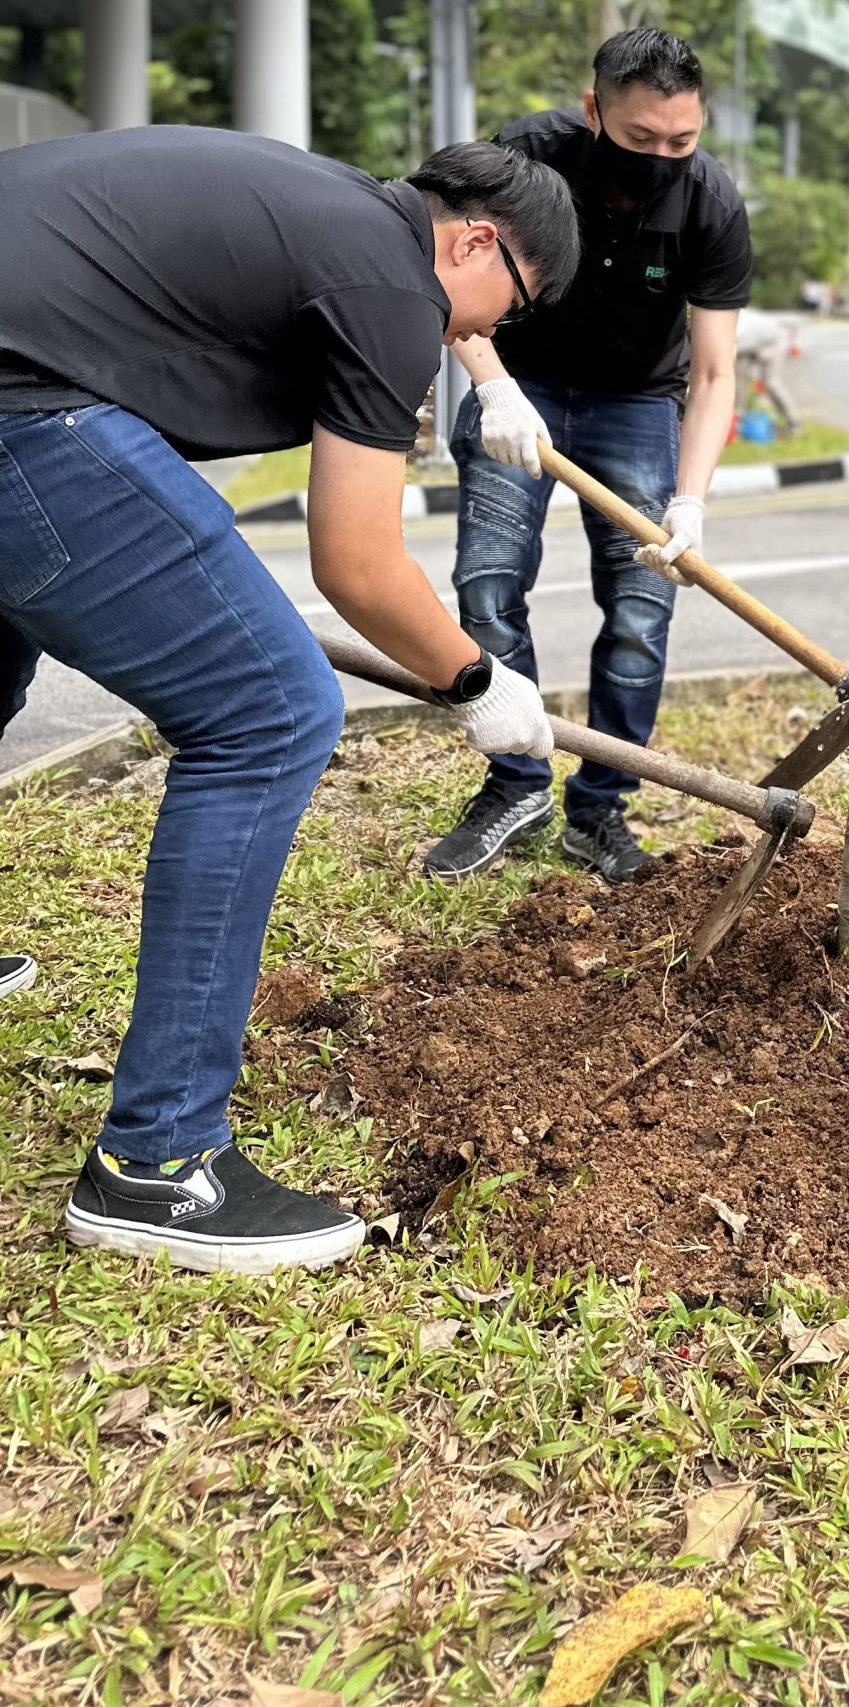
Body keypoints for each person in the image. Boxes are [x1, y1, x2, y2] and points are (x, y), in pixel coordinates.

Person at [0, 128, 578, 1273]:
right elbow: (358, 564)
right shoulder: (388, 281)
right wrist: (475, 680)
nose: (480, 337)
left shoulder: (326, 209)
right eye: (504, 307)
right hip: (21, 409)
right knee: (271, 712)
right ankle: (157, 1164)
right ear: (474, 240)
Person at [423, 27, 752, 885]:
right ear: (593, 110)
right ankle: (518, 781)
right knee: (487, 588)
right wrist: (492, 387)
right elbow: (446, 273)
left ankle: (600, 809)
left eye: (682, 140)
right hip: (519, 381)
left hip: (640, 405)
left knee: (643, 613)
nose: (662, 156)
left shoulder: (711, 203)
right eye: (641, 138)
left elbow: (715, 371)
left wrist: (691, 502)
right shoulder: (527, 157)